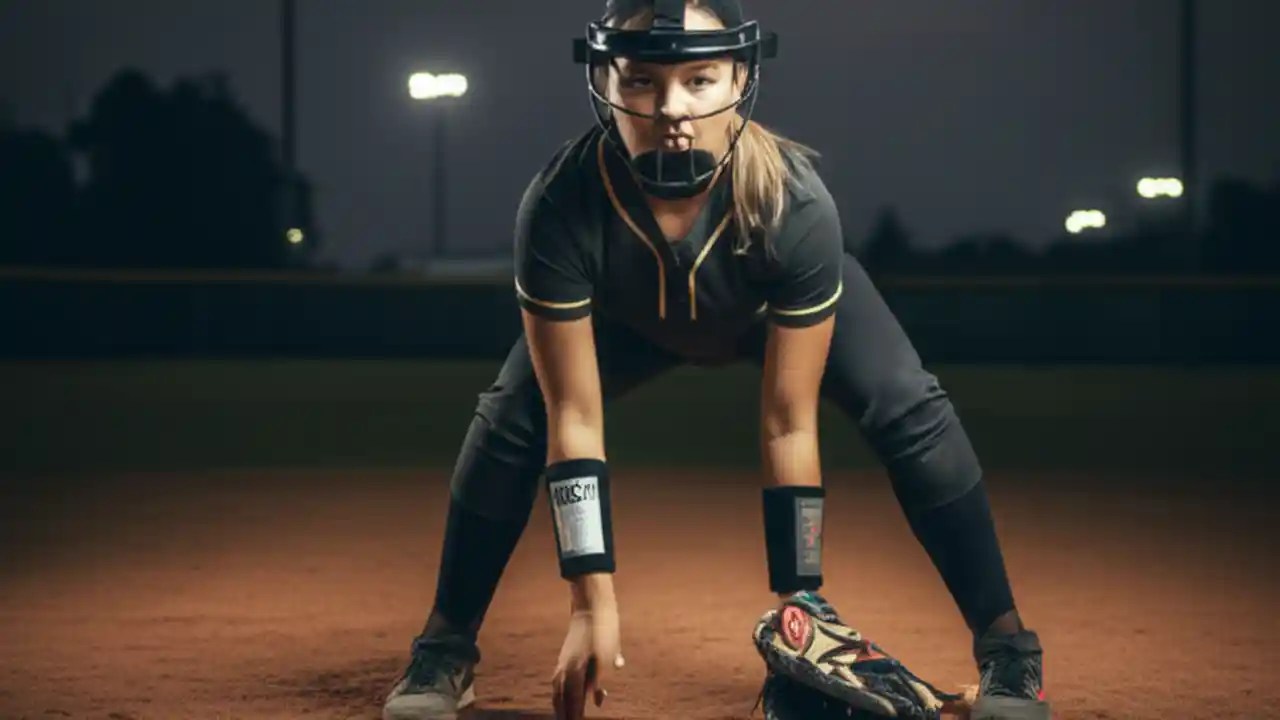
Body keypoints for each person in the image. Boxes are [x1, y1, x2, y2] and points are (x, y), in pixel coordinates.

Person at [382, 1, 1050, 719]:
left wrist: (802, 616)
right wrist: (590, 600)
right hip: (627, 320)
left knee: (910, 406)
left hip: (765, 317)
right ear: (604, 78)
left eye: (700, 80)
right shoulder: (559, 204)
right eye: (642, 80)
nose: (672, 108)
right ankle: (445, 651)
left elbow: (788, 424)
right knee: (511, 416)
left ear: (741, 75)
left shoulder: (794, 204)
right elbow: (573, 416)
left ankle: (1010, 653)